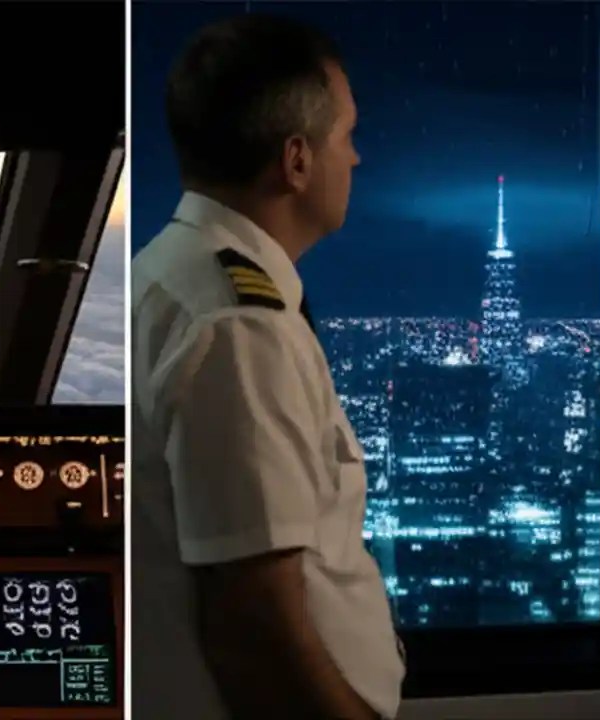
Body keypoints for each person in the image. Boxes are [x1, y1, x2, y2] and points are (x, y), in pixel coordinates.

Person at [131, 14, 405, 720]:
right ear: (296, 160)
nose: (357, 159)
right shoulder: (239, 329)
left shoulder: (171, 276)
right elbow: (255, 634)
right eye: (346, 136)